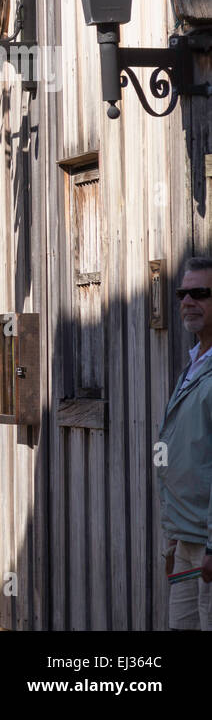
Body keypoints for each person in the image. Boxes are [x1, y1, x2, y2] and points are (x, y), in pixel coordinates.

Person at [159, 258, 212, 630]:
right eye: (183, 293)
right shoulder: (194, 363)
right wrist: (176, 537)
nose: (188, 301)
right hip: (188, 542)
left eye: (200, 293)